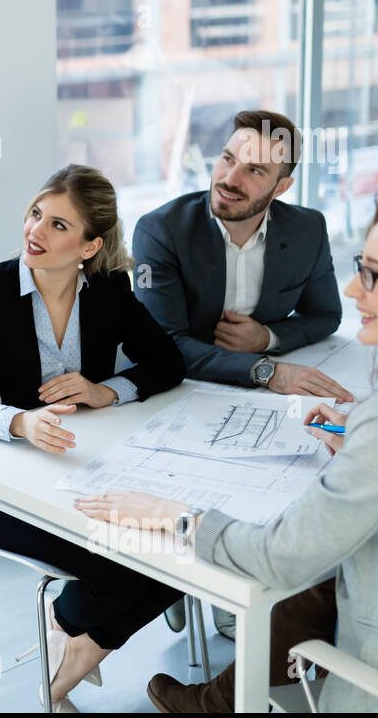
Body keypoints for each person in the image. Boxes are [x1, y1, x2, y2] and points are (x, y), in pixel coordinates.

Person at [76, 183, 378, 712]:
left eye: (373, 274)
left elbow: (274, 558)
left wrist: (172, 515)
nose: (352, 289)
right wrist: (365, 440)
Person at [0, 165, 186, 711]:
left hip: (91, 470)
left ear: (90, 244)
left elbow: (165, 360)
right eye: (36, 214)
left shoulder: (108, 290)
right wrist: (17, 420)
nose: (35, 231)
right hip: (2, 489)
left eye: (58, 224)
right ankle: (70, 648)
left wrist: (108, 391)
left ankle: (68, 640)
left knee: (181, 549)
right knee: (128, 561)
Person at [133, 109, 351, 639]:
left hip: (256, 401)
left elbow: (327, 315)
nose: (230, 178)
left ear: (282, 186)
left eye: (254, 170)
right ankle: (193, 581)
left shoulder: (307, 229)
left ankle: (254, 593)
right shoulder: (160, 231)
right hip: (174, 395)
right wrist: (265, 368)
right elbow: (164, 346)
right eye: (228, 159)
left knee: (300, 475)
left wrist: (267, 338)